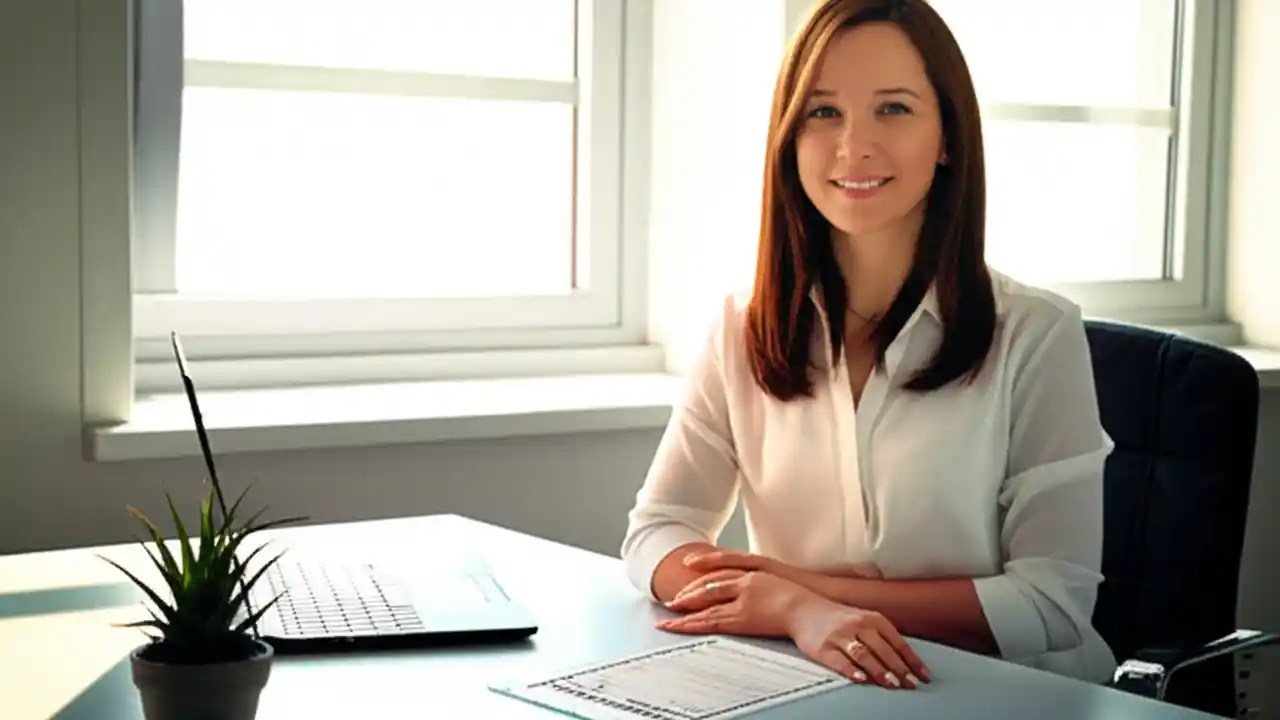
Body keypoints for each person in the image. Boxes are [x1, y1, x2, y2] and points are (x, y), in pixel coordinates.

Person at [620, 0, 1118, 693]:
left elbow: (1052, 605)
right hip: (820, 688)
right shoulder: (741, 327)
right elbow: (657, 533)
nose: (853, 146)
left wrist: (802, 590)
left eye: (893, 109)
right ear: (790, 136)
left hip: (1009, 695)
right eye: (823, 112)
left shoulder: (1037, 334)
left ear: (946, 135)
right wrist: (796, 609)